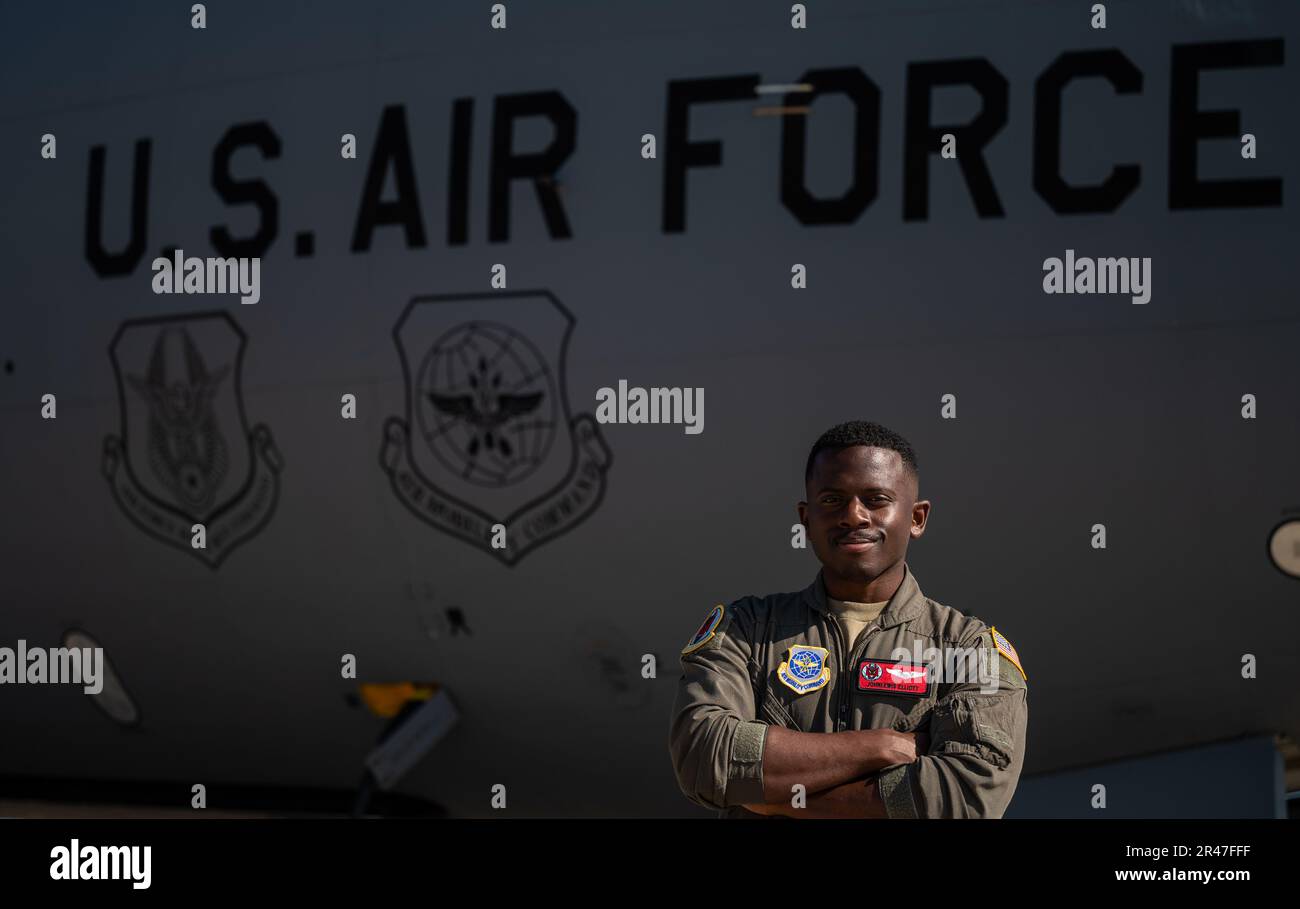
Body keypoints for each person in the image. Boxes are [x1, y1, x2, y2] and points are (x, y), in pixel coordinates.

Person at [668, 420, 1028, 818]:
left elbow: (962, 796)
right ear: (805, 518)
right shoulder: (746, 628)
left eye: (876, 499)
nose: (853, 516)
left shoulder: (969, 649)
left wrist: (774, 799)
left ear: (917, 518)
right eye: (831, 500)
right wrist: (881, 747)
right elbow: (704, 759)